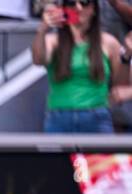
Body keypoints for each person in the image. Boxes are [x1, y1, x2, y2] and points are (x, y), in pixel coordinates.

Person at [33, 0, 129, 133]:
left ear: (94, 9)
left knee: (98, 155)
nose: (78, 7)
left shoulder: (108, 42)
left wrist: (126, 57)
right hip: (59, 117)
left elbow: (121, 84)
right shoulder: (53, 40)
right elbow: (38, 59)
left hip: (96, 117)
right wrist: (42, 29)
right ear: (64, 9)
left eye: (84, 2)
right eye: (71, 3)